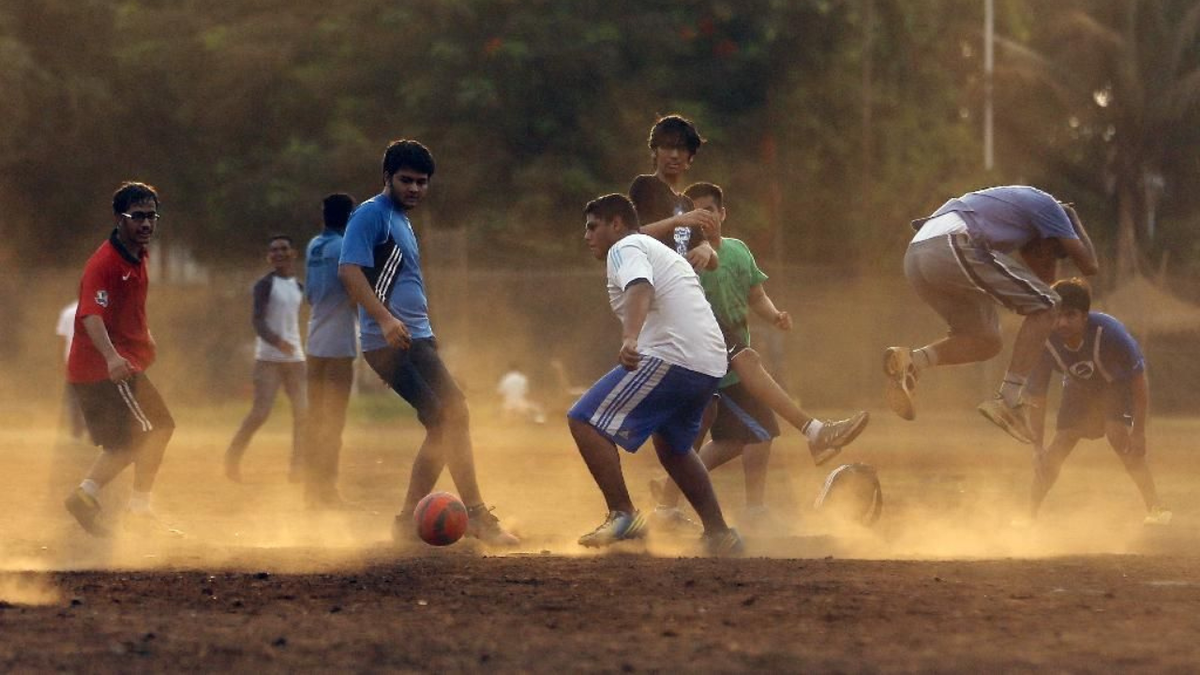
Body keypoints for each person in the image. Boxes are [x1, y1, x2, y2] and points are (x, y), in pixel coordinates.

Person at [630, 117, 867, 466]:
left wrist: (707, 251)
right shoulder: (646, 188)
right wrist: (679, 222)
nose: (675, 155)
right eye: (667, 146)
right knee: (742, 367)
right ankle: (815, 432)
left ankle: (668, 504)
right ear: (654, 151)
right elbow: (634, 237)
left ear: (691, 157)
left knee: (709, 411)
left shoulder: (684, 204)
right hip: (666, 309)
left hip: (690, 307)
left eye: (683, 149)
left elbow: (707, 255)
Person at [649, 183, 869, 531]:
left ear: (722, 214)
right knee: (760, 429)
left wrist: (775, 315)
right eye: (696, 213)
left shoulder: (737, 252)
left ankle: (671, 494)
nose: (703, 219)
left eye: (709, 210)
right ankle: (759, 499)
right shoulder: (687, 258)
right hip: (718, 361)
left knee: (734, 440)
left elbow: (756, 295)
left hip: (734, 358)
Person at [338, 139, 518, 546]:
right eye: (406, 180)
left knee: (448, 418)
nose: (415, 189)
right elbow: (350, 271)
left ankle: (409, 522)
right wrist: (384, 322)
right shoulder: (372, 215)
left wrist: (426, 335)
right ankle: (473, 515)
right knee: (449, 416)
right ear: (387, 177)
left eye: (422, 182)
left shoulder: (402, 221)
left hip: (415, 339)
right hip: (391, 341)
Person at [568, 193, 742, 555]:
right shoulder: (653, 247)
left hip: (675, 356)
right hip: (709, 362)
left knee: (584, 419)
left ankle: (623, 515)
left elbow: (640, 286)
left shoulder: (626, 245)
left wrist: (630, 337)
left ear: (616, 224)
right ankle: (719, 533)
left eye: (592, 226)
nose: (586, 236)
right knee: (675, 447)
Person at [884, 186, 1099, 443]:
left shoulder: (1022, 214)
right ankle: (1008, 399)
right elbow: (1089, 266)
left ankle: (912, 362)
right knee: (1049, 304)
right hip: (951, 246)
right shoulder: (1052, 207)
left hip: (917, 257)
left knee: (987, 340)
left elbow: (1043, 284)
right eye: (1054, 251)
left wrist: (1044, 315)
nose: (1049, 258)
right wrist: (1072, 220)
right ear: (1052, 235)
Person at [63, 181, 177, 537]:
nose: (146, 224)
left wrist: (144, 337)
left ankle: (85, 496)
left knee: (127, 442)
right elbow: (90, 315)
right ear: (119, 218)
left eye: (151, 216)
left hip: (111, 363)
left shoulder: (137, 253)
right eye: (138, 216)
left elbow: (126, 308)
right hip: (103, 368)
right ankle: (138, 509)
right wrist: (113, 357)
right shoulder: (105, 263)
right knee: (155, 429)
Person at [1024, 278, 1171, 525]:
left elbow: (1138, 379)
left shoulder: (1110, 333)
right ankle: (1027, 516)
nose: (1062, 323)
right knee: (1058, 445)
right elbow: (1037, 396)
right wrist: (1036, 446)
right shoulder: (1045, 340)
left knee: (1118, 436)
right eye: (1057, 315)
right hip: (1078, 388)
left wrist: (1139, 432)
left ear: (1084, 316)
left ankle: (1156, 509)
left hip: (1115, 384)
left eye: (1070, 315)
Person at [224, 235, 308, 483]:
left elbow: (301, 319)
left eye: (283, 249)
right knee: (260, 412)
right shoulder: (264, 285)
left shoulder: (299, 287)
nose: (279, 253)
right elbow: (257, 321)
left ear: (293, 253)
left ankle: (298, 468)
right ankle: (233, 458)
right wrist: (277, 341)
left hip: (295, 359)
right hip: (269, 358)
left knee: (303, 413)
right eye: (274, 250)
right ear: (269, 257)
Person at [303, 193, 358, 508]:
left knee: (315, 419)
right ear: (350, 217)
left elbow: (310, 294)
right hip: (339, 347)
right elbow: (354, 293)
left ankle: (311, 489)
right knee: (334, 421)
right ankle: (327, 490)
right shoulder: (344, 248)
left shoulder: (314, 245)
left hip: (314, 342)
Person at [56, 299, 86, 440]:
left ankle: (76, 431)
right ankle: (93, 430)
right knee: (95, 396)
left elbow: (62, 340)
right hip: (93, 360)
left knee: (74, 397)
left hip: (72, 360)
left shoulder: (68, 312)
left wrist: (61, 362)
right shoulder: (98, 310)